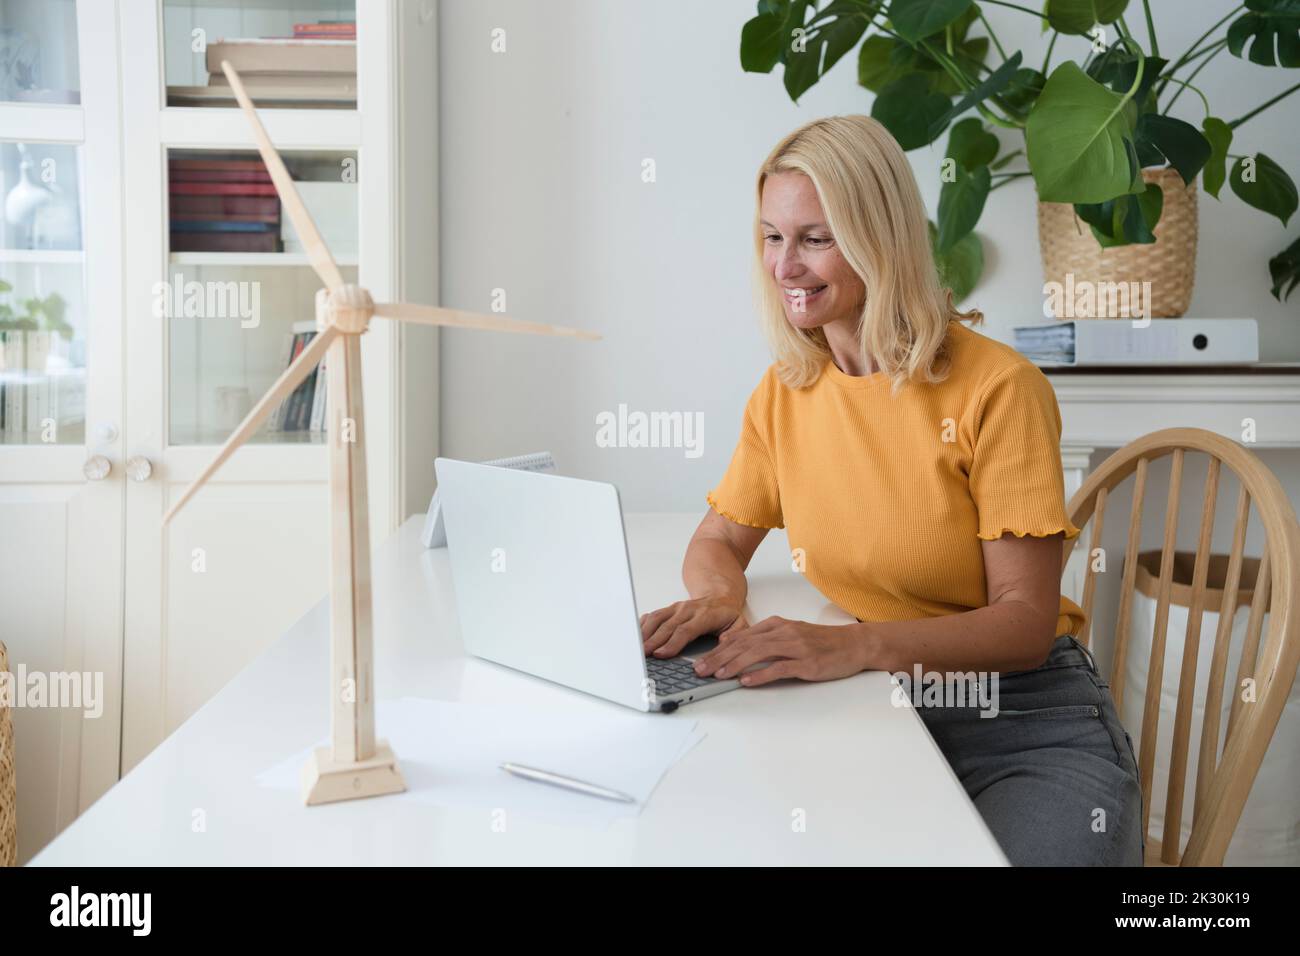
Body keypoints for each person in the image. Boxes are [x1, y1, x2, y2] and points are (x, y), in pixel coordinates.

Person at [638, 115, 1143, 867]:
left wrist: (854, 646)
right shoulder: (787, 395)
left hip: (1023, 723)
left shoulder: (998, 389)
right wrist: (718, 598)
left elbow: (1023, 623)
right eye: (773, 237)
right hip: (879, 714)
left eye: (815, 238)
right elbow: (718, 539)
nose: (785, 266)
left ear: (880, 237)